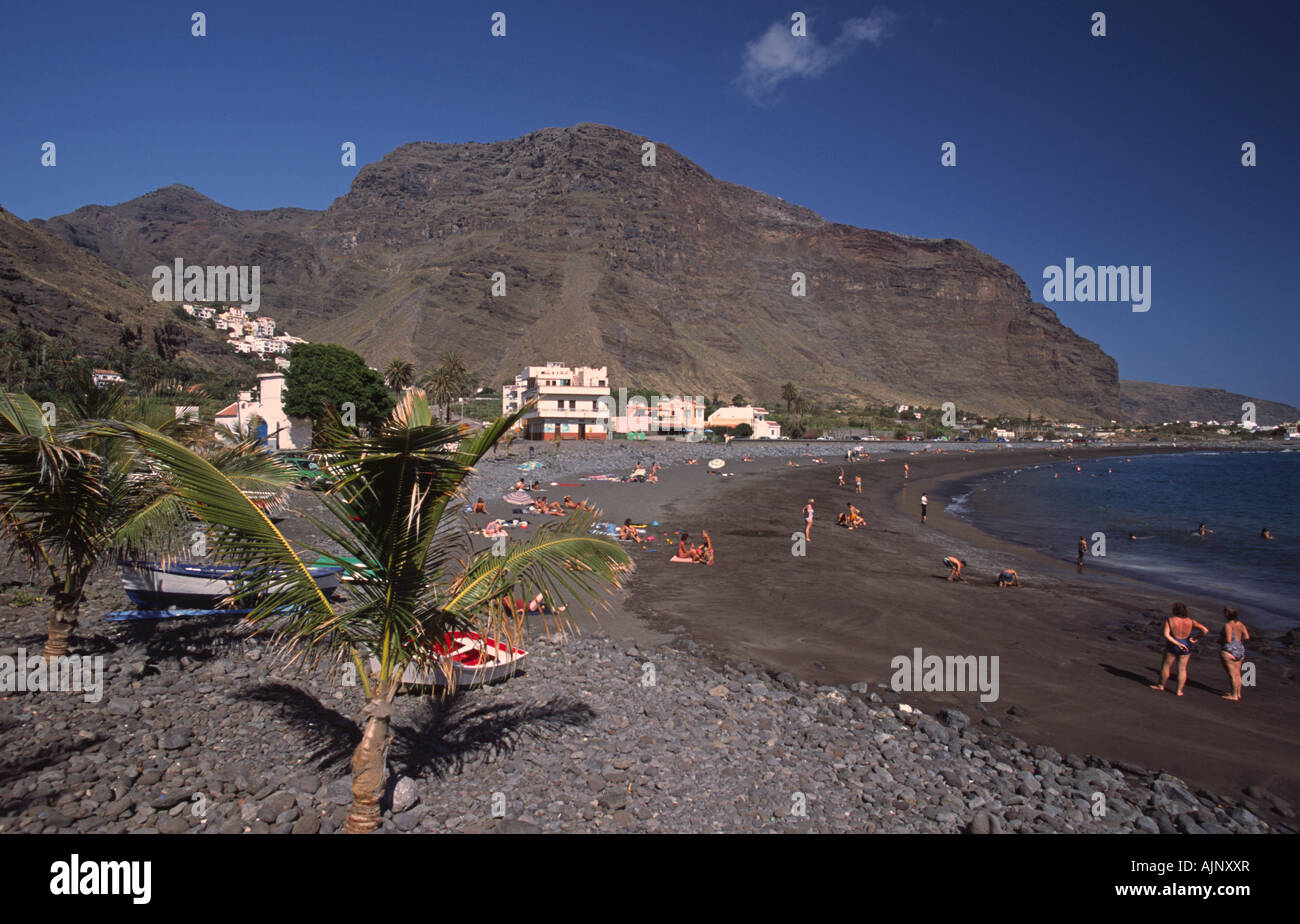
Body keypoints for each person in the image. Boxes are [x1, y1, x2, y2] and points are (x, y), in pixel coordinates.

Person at [1150, 602, 1209, 696]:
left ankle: (1161, 685)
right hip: (1186, 644)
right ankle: (1179, 690)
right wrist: (1196, 638)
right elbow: (1205, 630)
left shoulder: (1170, 620)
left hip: (1173, 644)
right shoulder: (1191, 621)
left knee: (1166, 665)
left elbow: (1166, 635)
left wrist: (1177, 643)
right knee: (1182, 668)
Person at [1218, 607, 1250, 701]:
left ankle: (1233, 695)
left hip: (1229, 650)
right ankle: (1238, 693)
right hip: (1240, 649)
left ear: (1227, 614)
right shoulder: (1240, 624)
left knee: (1232, 674)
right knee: (1238, 673)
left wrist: (1220, 640)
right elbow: (1247, 637)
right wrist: (1238, 641)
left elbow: (1228, 639)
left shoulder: (1228, 625)